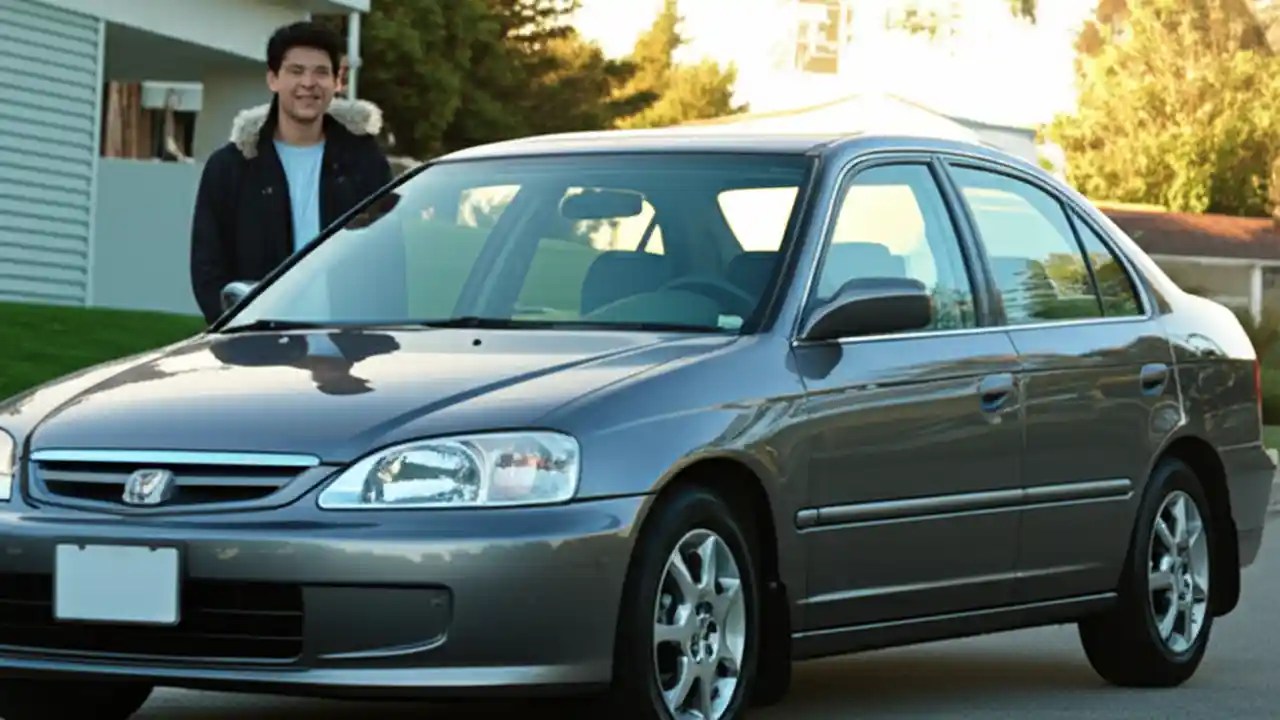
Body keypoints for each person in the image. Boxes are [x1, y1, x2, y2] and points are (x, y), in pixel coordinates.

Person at [190, 21, 392, 325]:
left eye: (321, 72)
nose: (308, 83)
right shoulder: (232, 166)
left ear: (338, 82)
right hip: (258, 345)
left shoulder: (365, 163)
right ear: (273, 79)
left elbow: (387, 256)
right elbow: (208, 266)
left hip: (348, 343)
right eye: (296, 71)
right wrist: (235, 328)